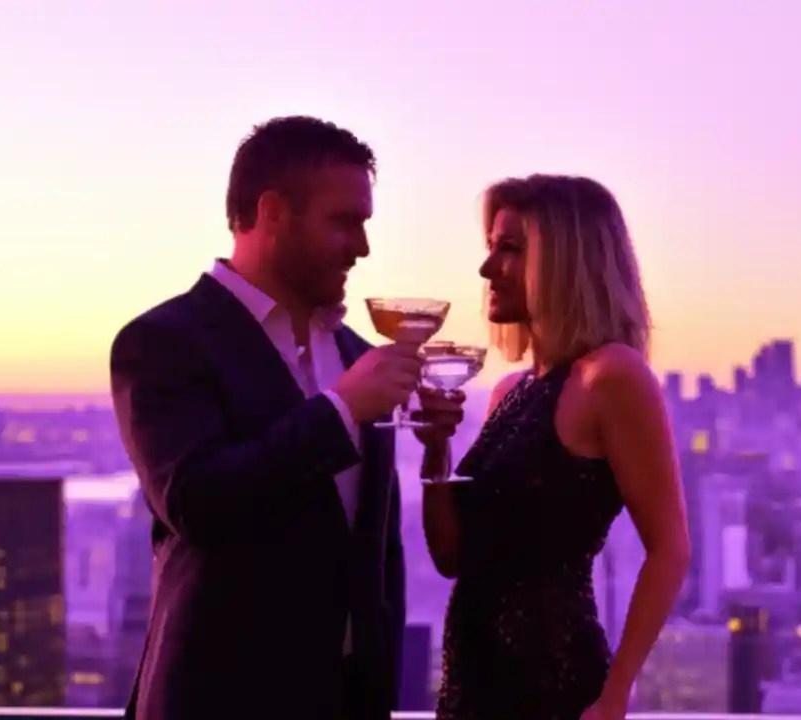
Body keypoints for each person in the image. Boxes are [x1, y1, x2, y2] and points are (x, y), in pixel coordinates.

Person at [110, 116, 419, 720]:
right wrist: (342, 410)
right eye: (345, 222)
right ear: (273, 212)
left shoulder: (356, 353)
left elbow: (378, 552)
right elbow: (199, 502)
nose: (362, 248)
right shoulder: (165, 342)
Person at [416, 174, 692, 719]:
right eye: (490, 248)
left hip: (558, 685)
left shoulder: (612, 377)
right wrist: (436, 446)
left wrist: (616, 695)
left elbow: (670, 547)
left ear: (565, 261)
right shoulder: (507, 392)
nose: (487, 269)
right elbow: (453, 557)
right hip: (471, 684)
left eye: (511, 249)